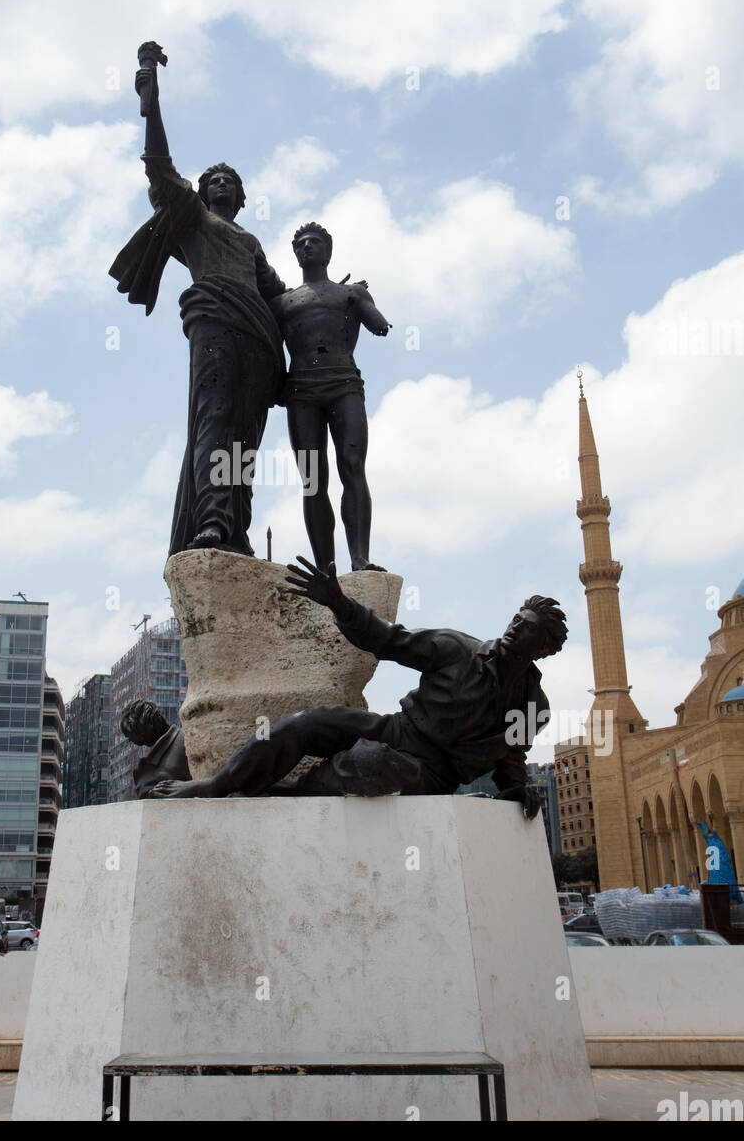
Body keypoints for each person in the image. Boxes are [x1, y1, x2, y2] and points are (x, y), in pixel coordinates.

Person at [151, 557, 567, 808]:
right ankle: (218, 785)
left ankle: (286, 798)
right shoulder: (459, 649)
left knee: (371, 765)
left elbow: (510, 758)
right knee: (306, 723)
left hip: (432, 774)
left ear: (543, 647)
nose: (516, 628)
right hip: (397, 729)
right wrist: (339, 602)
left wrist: (517, 790)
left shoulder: (535, 706)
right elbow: (388, 640)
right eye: (517, 618)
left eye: (529, 628)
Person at [110, 46, 286, 556]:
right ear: (204, 194)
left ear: (243, 198)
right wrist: (151, 96)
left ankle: (238, 528)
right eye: (214, 180)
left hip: (260, 340)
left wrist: (332, 299)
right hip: (214, 325)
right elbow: (160, 166)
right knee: (215, 421)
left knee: (245, 442)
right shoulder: (193, 219)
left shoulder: (250, 243)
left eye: (231, 180)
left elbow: (279, 296)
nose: (223, 184)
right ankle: (211, 521)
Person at [271, 222, 390, 571]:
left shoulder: (351, 294)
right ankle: (326, 569)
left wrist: (357, 298)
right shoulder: (283, 302)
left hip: (344, 384)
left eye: (315, 242)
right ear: (296, 255)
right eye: (301, 244)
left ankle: (360, 558)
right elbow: (268, 348)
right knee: (312, 478)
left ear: (328, 250)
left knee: (352, 465)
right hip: (301, 390)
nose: (307, 247)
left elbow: (380, 326)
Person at [121, 699, 191, 798]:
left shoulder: (186, 740)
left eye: (129, 734)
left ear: (141, 732)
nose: (129, 740)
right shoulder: (183, 737)